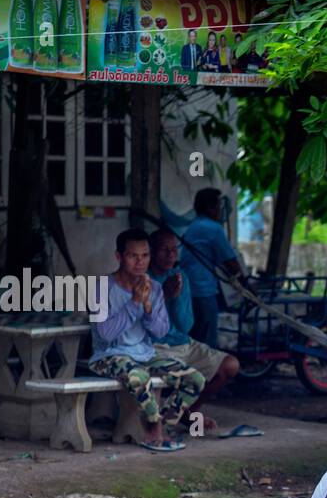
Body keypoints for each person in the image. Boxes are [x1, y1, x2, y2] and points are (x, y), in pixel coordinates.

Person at [89, 228, 207, 452]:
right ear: (119, 257)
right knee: (139, 377)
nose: (140, 262)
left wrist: (148, 307)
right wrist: (134, 303)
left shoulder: (154, 288)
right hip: (108, 356)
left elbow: (161, 331)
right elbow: (105, 333)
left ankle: (165, 425)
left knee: (195, 379)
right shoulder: (101, 287)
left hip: (144, 355)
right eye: (133, 256)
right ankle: (153, 428)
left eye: (145, 256)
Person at [148, 228, 241, 433]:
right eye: (165, 250)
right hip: (155, 347)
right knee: (192, 378)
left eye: (174, 249)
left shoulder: (180, 276)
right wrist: (163, 296)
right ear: (152, 252)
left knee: (229, 365)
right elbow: (142, 325)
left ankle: (189, 412)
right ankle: (164, 426)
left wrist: (176, 298)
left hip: (183, 343)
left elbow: (185, 325)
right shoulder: (143, 280)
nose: (171, 254)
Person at [181, 187, 243, 348]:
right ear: (210, 208)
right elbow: (231, 262)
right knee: (207, 342)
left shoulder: (194, 226)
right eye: (218, 206)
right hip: (203, 290)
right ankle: (207, 371)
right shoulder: (213, 229)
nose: (220, 211)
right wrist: (246, 284)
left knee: (195, 338)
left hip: (189, 288)